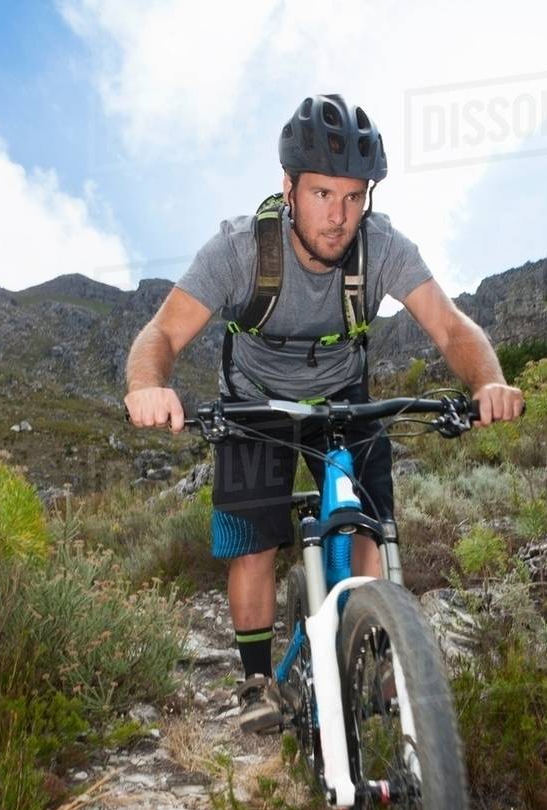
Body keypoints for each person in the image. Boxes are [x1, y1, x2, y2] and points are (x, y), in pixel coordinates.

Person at [124, 93, 524, 732]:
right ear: (288, 187)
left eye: (354, 197)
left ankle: (378, 650)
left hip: (345, 399)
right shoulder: (238, 251)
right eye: (321, 196)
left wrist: (490, 382)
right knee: (254, 544)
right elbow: (163, 336)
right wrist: (149, 386)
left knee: (371, 525)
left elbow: (450, 329)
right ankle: (256, 680)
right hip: (256, 403)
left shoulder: (381, 246)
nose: (339, 217)